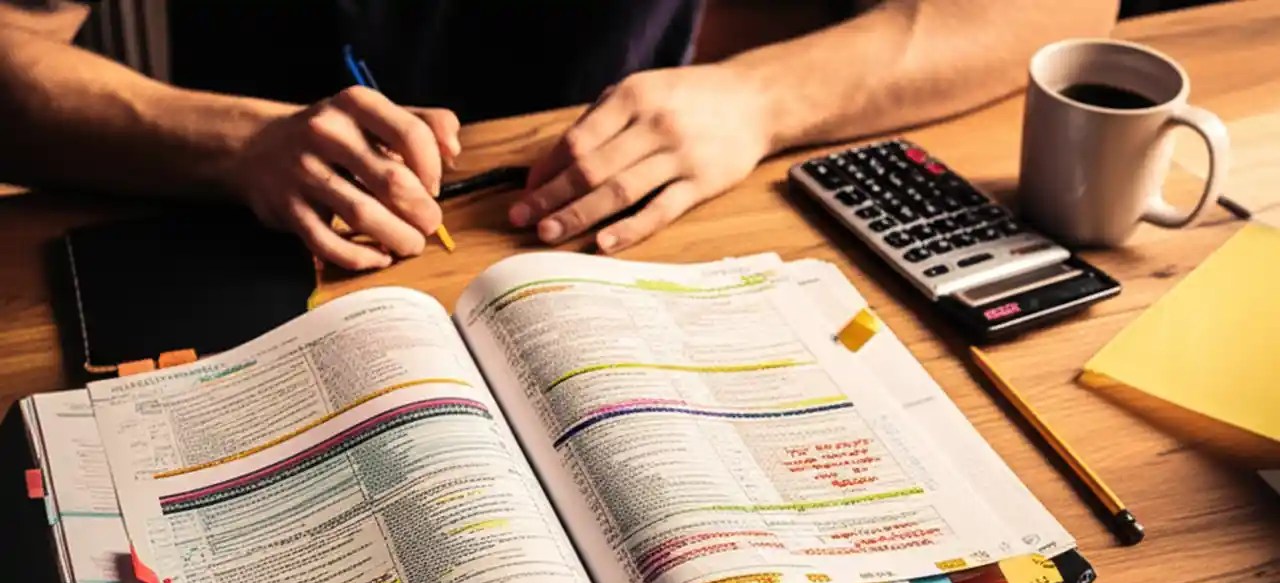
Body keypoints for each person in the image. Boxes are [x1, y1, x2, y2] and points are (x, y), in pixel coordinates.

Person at [0, 0, 1119, 270]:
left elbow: (1060, 8)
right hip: (237, 243)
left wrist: (757, 99)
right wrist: (229, 141)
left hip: (613, 235)